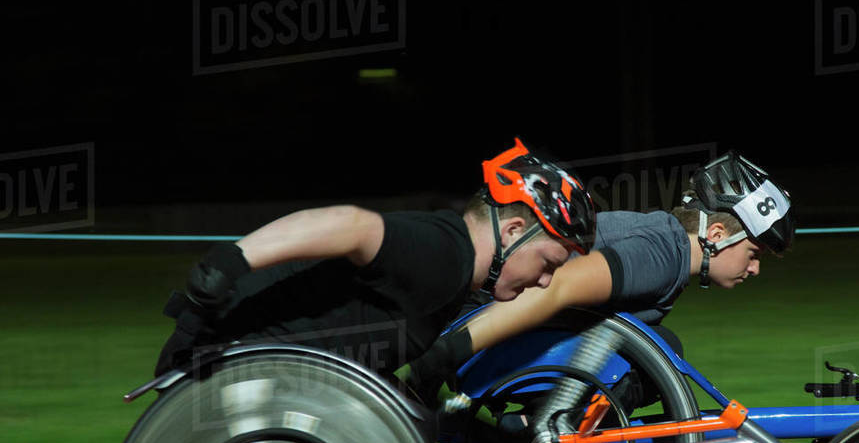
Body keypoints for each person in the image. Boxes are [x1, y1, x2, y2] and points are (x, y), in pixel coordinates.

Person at [153, 138, 597, 385]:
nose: (545, 282)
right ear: (513, 231)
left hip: (272, 380)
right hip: (222, 368)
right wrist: (231, 260)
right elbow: (352, 226)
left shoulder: (460, 274)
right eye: (548, 263)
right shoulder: (443, 254)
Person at [406, 150, 794, 393]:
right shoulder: (663, 252)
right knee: (663, 349)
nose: (755, 268)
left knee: (657, 343)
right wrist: (447, 352)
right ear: (716, 234)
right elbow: (556, 289)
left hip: (489, 325)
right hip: (474, 325)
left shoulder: (666, 246)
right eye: (754, 253)